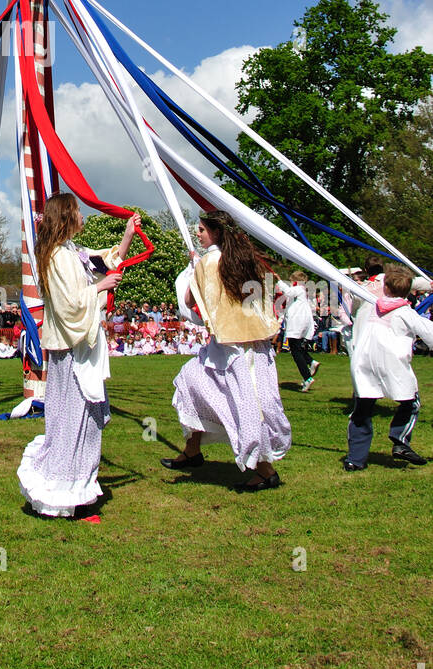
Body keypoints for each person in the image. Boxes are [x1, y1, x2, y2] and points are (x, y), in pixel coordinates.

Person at [17, 193, 137, 520]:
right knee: (74, 421)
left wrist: (127, 235)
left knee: (86, 419)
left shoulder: (71, 252)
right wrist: (100, 288)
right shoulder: (56, 256)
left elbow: (105, 263)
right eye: (79, 212)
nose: (83, 216)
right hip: (71, 350)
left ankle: (75, 489)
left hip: (81, 347)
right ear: (67, 217)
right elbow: (68, 304)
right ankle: (66, 495)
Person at [161, 210, 290, 492]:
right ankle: (192, 451)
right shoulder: (245, 260)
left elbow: (190, 303)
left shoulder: (208, 262)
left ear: (216, 233)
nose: (197, 233)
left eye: (202, 229)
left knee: (241, 404)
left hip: (231, 348)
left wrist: (190, 272)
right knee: (191, 383)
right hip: (254, 343)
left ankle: (265, 471)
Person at [344, 265, 433, 471]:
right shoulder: (406, 312)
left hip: (364, 360)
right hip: (391, 362)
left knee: (362, 410)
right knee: (411, 403)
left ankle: (354, 460)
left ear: (384, 286)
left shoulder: (372, 304)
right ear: (409, 290)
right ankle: (400, 440)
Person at [276, 271, 319, 390]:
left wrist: (279, 281)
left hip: (297, 322)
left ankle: (307, 377)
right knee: (298, 347)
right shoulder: (301, 292)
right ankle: (311, 361)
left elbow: (289, 292)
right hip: (301, 321)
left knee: (295, 351)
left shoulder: (299, 289)